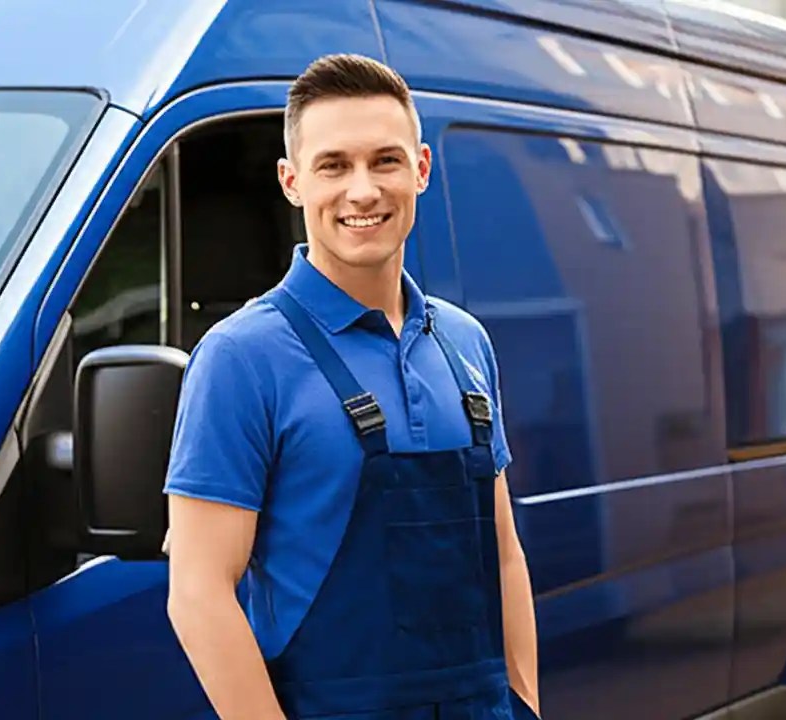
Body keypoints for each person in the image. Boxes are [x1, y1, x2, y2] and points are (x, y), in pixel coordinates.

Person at [163, 54, 541, 719]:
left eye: (386, 161)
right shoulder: (240, 358)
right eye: (333, 165)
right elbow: (198, 593)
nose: (362, 190)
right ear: (292, 181)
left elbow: (504, 554)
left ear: (421, 168)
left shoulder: (463, 343)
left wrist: (525, 705)